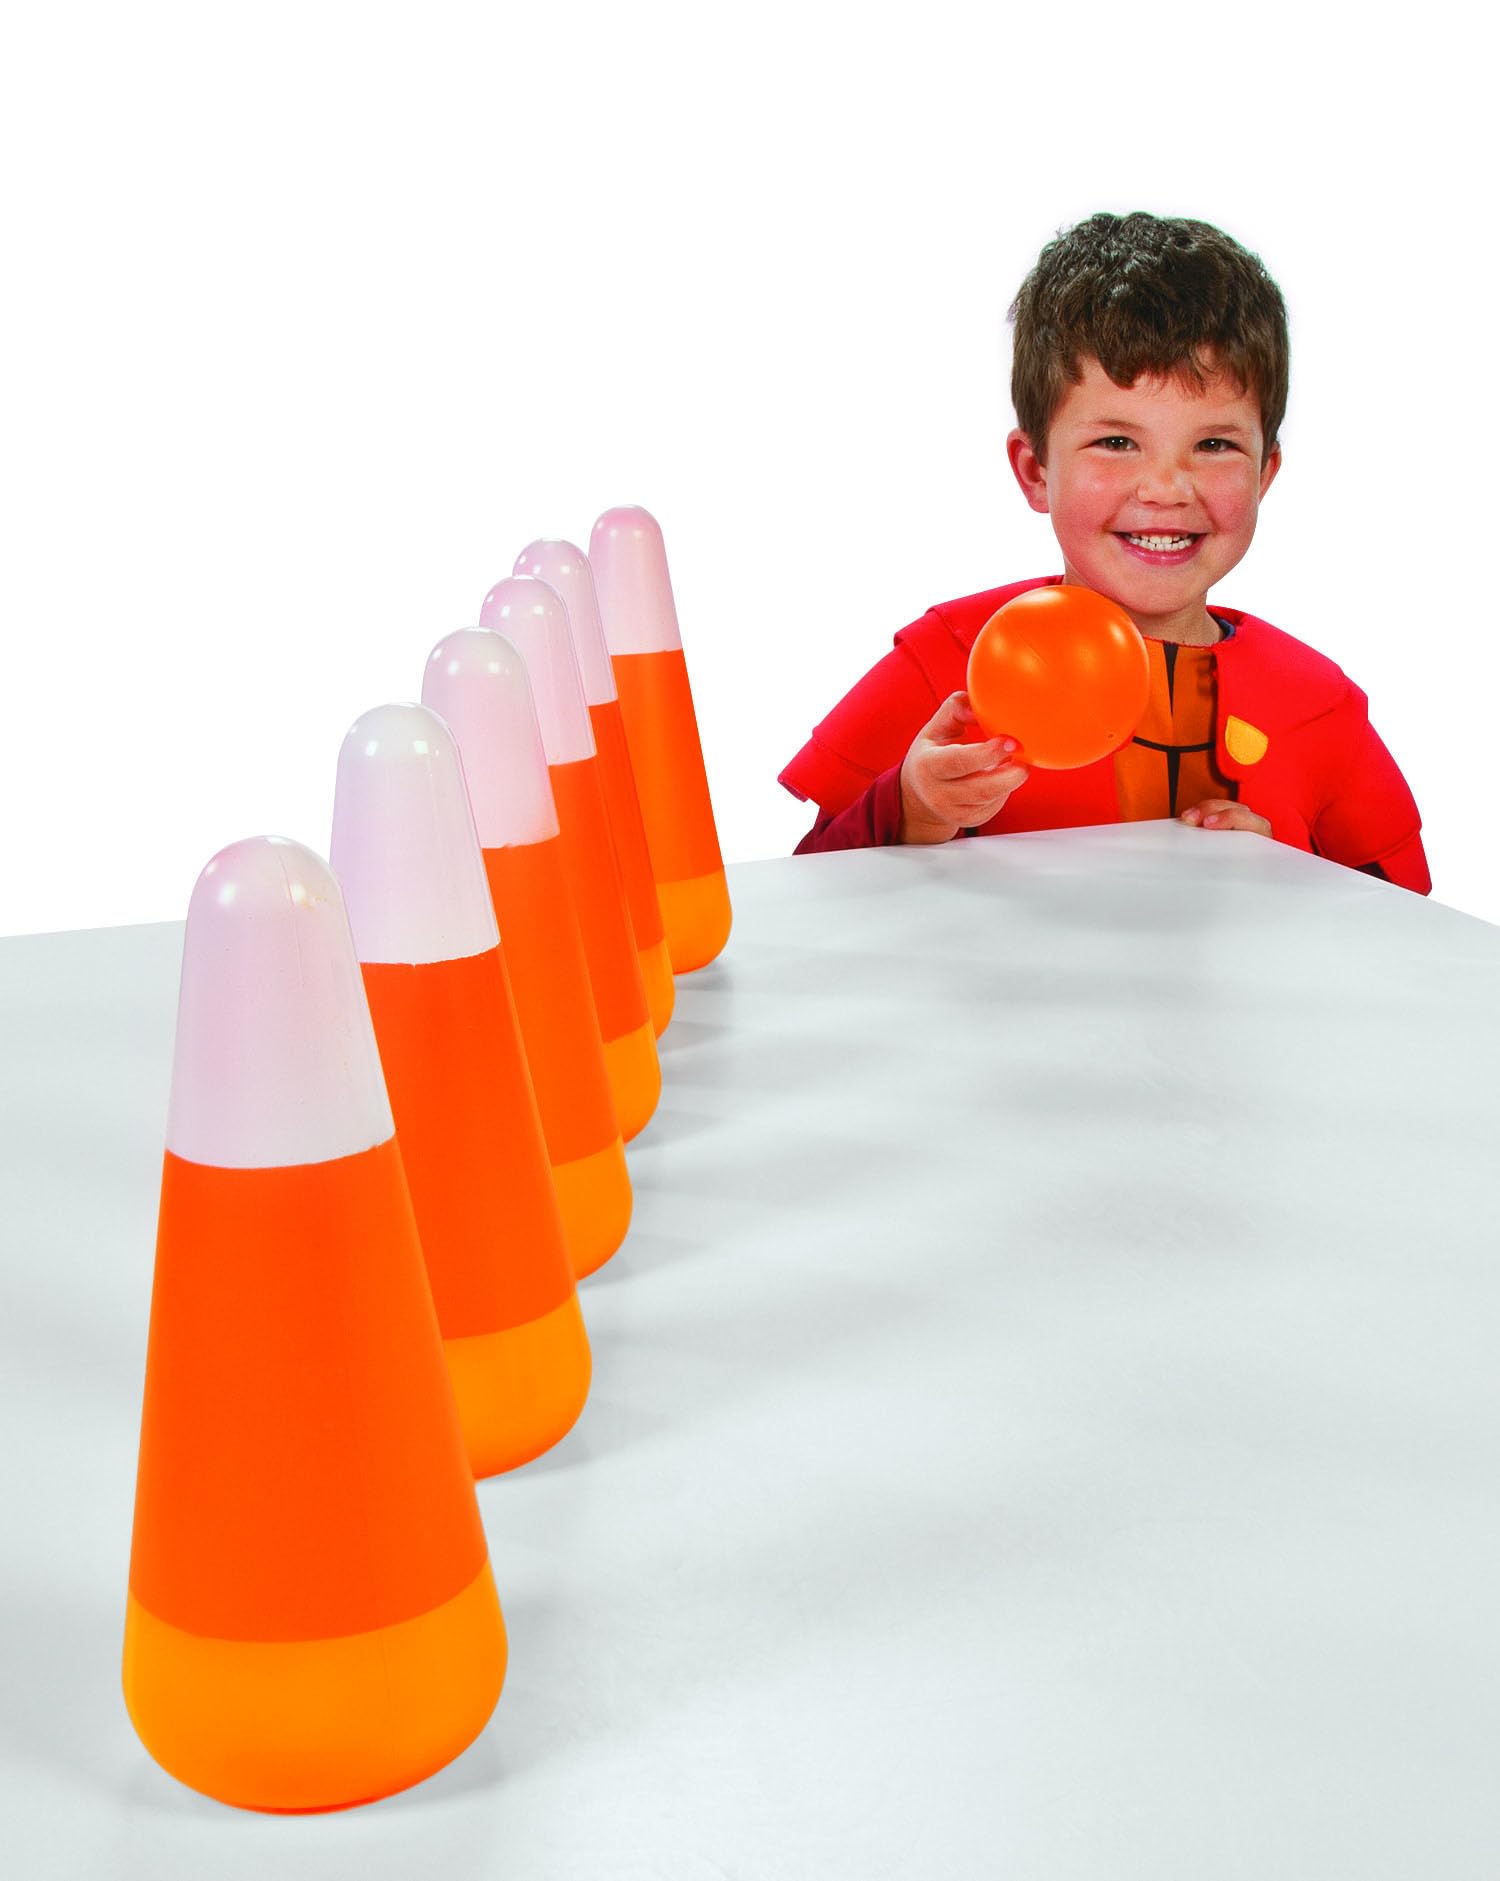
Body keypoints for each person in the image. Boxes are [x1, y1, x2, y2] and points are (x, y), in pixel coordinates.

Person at [778, 213, 1430, 893]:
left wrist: (1283, 878)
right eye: (1117, 442)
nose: (1166, 489)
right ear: (1035, 470)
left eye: (1214, 444)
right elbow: (807, 893)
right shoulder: (945, 665)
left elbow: (1402, 924)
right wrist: (912, 808)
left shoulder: (1317, 706)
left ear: (1264, 474)